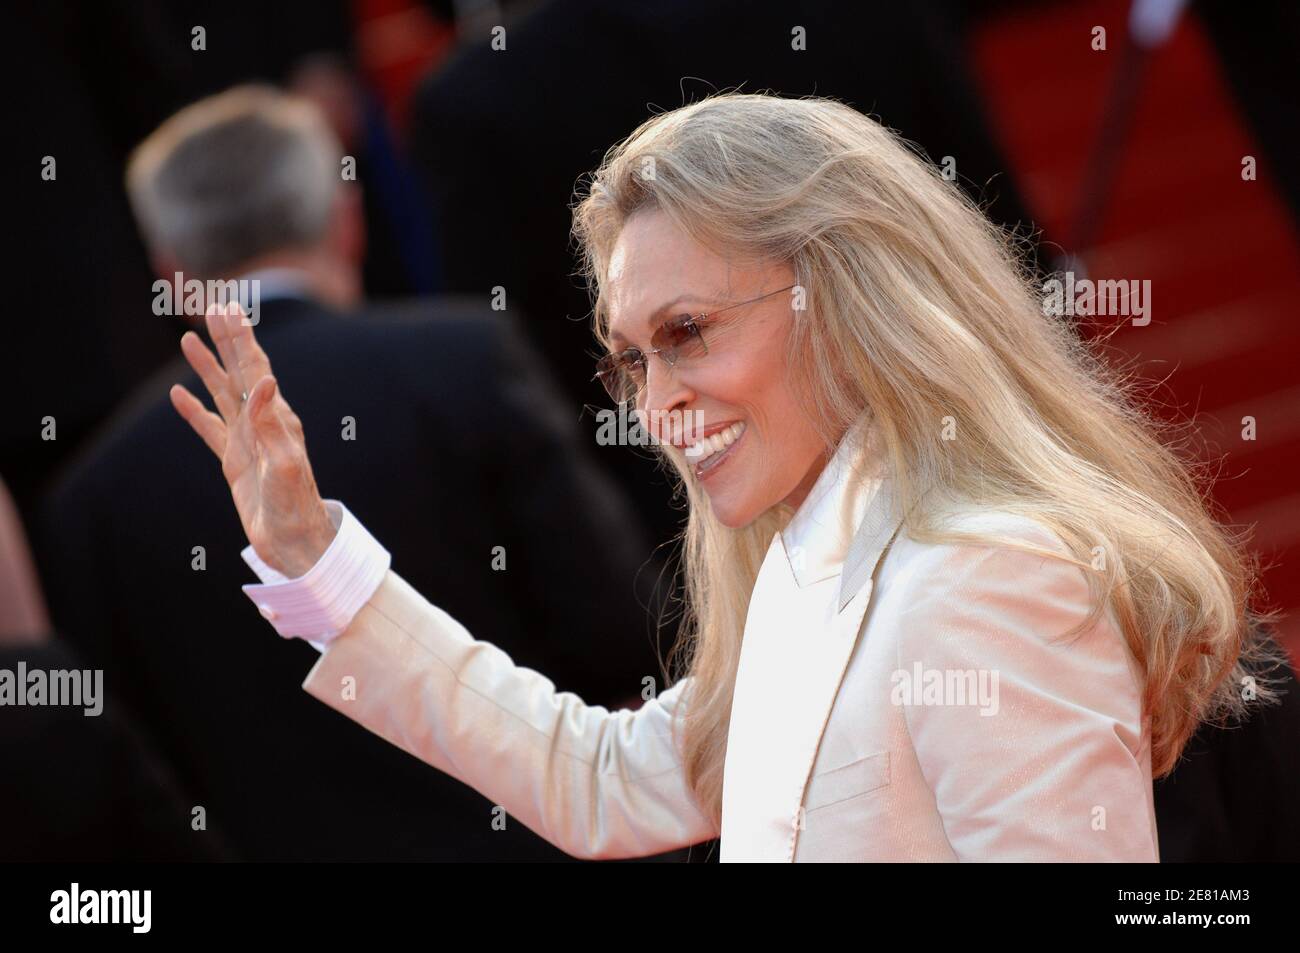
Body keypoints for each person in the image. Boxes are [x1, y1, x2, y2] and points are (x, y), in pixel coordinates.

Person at [171, 92, 1287, 861]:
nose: (654, 404)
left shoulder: (982, 581)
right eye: (631, 357)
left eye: (689, 330)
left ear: (845, 297)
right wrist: (318, 567)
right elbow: (597, 775)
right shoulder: (819, 573)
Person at [41, 86, 673, 861]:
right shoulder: (464, 363)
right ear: (348, 219)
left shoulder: (90, 497)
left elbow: (138, 772)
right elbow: (622, 623)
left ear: (170, 273)